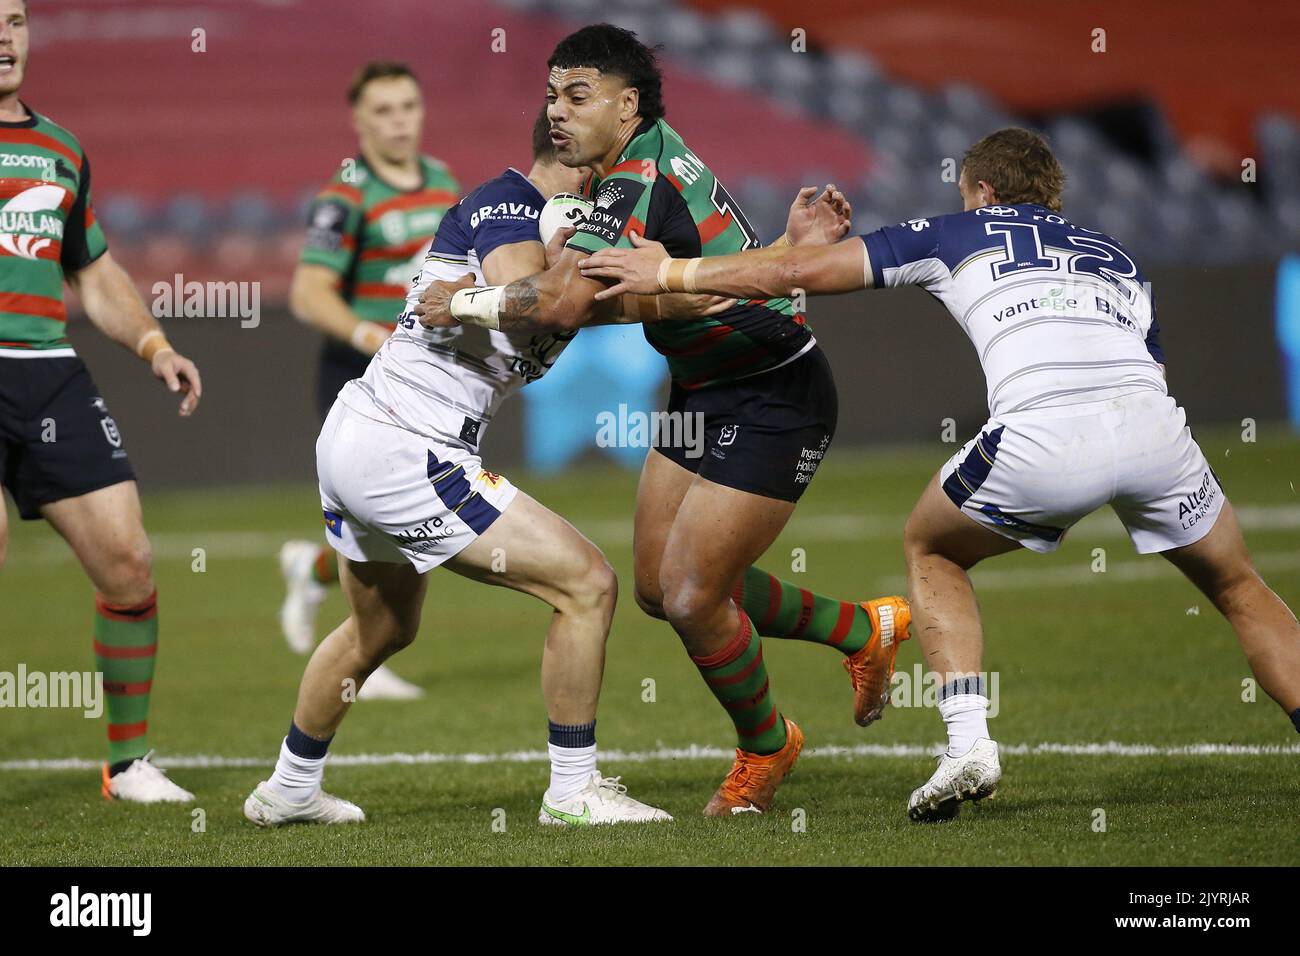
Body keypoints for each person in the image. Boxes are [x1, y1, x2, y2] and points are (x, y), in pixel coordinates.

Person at [576, 126, 1300, 821]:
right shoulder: (1116, 254)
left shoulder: (955, 233)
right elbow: (1152, 363)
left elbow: (800, 274)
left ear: (981, 190)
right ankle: (862, 634)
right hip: (1154, 429)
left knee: (935, 546)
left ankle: (967, 746)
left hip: (1045, 432)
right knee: (1240, 586)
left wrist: (667, 269)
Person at [415, 24, 912, 818]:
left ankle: (766, 743)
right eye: (550, 96)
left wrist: (462, 299)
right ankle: (862, 630)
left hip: (774, 389)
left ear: (628, 104)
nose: (556, 114)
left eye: (577, 97)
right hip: (699, 389)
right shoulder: (624, 170)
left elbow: (566, 305)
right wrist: (780, 246)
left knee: (688, 594)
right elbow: (626, 297)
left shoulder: (631, 179)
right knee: (658, 587)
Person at [0, 0, 203, 802]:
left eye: (14, 19)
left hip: (46, 370)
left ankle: (127, 765)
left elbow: (93, 272)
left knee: (128, 562)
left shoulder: (60, 149)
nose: (3, 35)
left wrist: (155, 346)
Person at [278, 61, 459, 700]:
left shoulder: (441, 183)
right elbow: (307, 291)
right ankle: (364, 650)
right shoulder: (346, 193)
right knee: (384, 515)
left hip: (422, 374)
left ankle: (315, 576)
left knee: (397, 520)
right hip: (358, 374)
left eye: (407, 106)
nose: (399, 120)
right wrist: (368, 335)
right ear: (358, 120)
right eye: (383, 110)